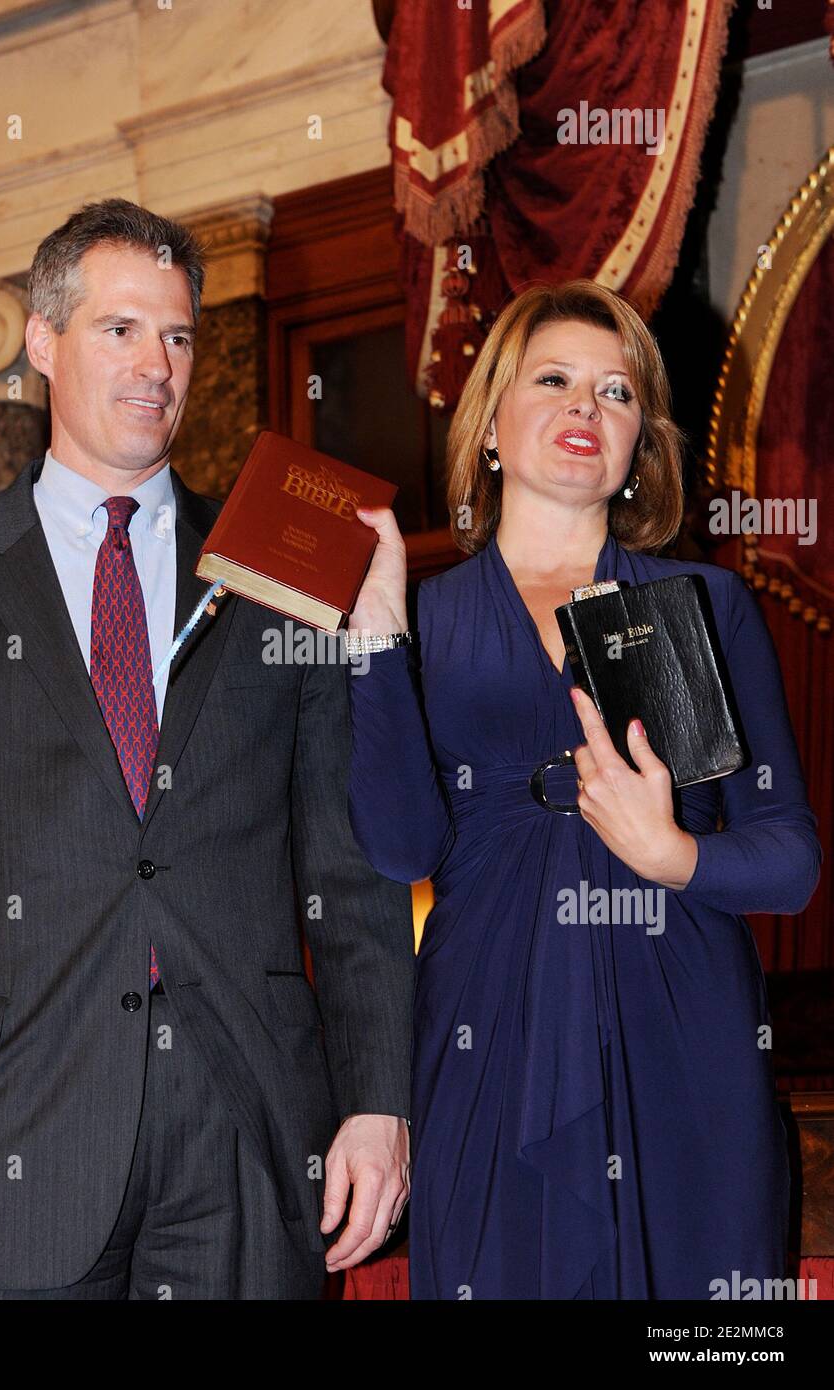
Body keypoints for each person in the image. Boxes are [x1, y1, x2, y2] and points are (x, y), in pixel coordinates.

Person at [0, 198, 413, 1300]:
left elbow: (349, 870)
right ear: (42, 342)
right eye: (119, 329)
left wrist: (377, 1096)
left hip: (245, 1132)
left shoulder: (278, 572)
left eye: (176, 335)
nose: (156, 365)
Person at [345, 279, 821, 1300]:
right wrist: (375, 642)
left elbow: (788, 859)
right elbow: (397, 846)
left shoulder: (702, 602)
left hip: (681, 1027)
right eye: (553, 379)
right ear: (487, 427)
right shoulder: (421, 619)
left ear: (638, 444)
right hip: (486, 1025)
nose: (584, 409)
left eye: (615, 394)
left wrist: (673, 855)